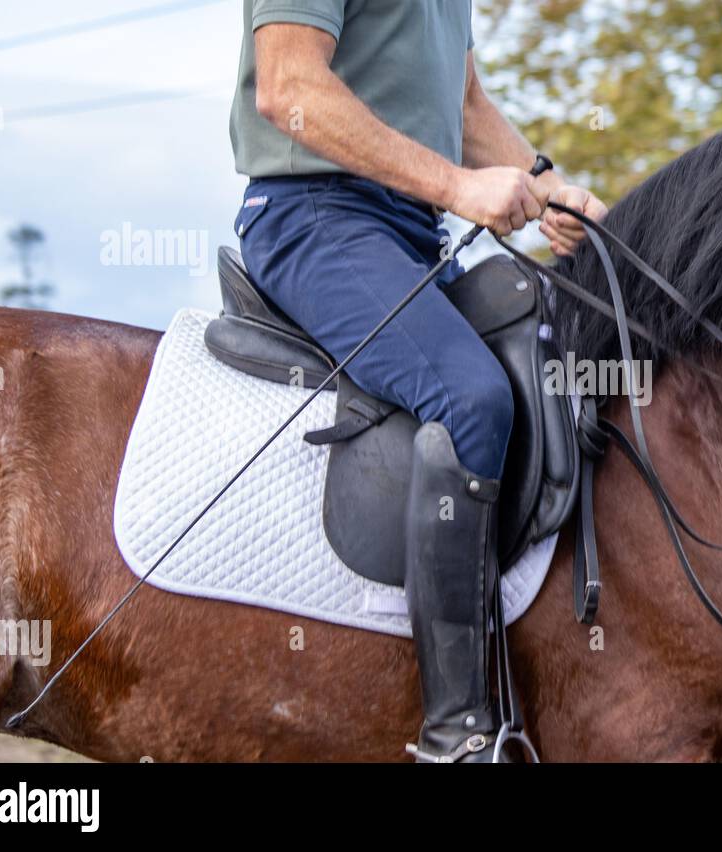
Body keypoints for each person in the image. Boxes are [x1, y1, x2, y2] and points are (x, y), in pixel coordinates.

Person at [228, 0, 607, 762]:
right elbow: (288, 87)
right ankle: (456, 733)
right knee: (470, 398)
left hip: (415, 235)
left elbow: (464, 106)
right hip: (313, 218)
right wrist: (459, 188)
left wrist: (553, 187)